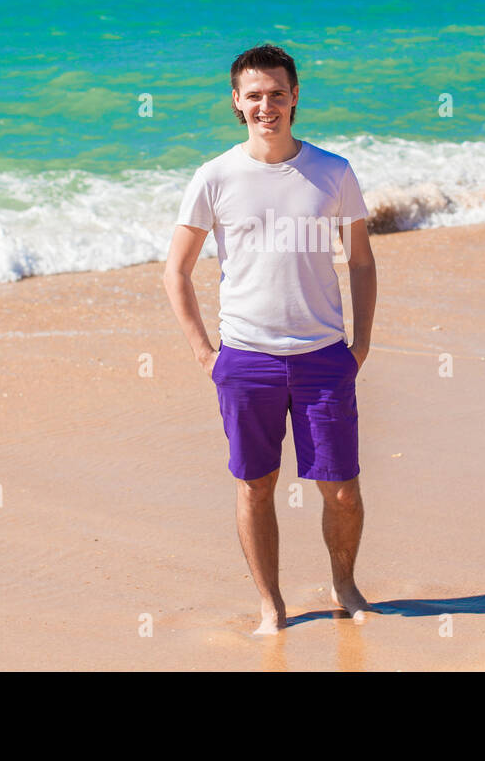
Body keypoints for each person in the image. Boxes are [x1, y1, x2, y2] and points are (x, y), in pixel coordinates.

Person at [163, 44, 378, 634]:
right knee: (256, 486)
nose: (266, 106)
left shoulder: (333, 172)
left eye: (277, 94)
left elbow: (361, 260)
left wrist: (360, 345)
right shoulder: (215, 177)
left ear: (295, 97)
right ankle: (271, 604)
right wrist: (207, 355)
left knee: (341, 490)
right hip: (246, 361)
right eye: (253, 95)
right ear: (236, 102)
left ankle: (344, 584)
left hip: (323, 357)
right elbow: (175, 271)